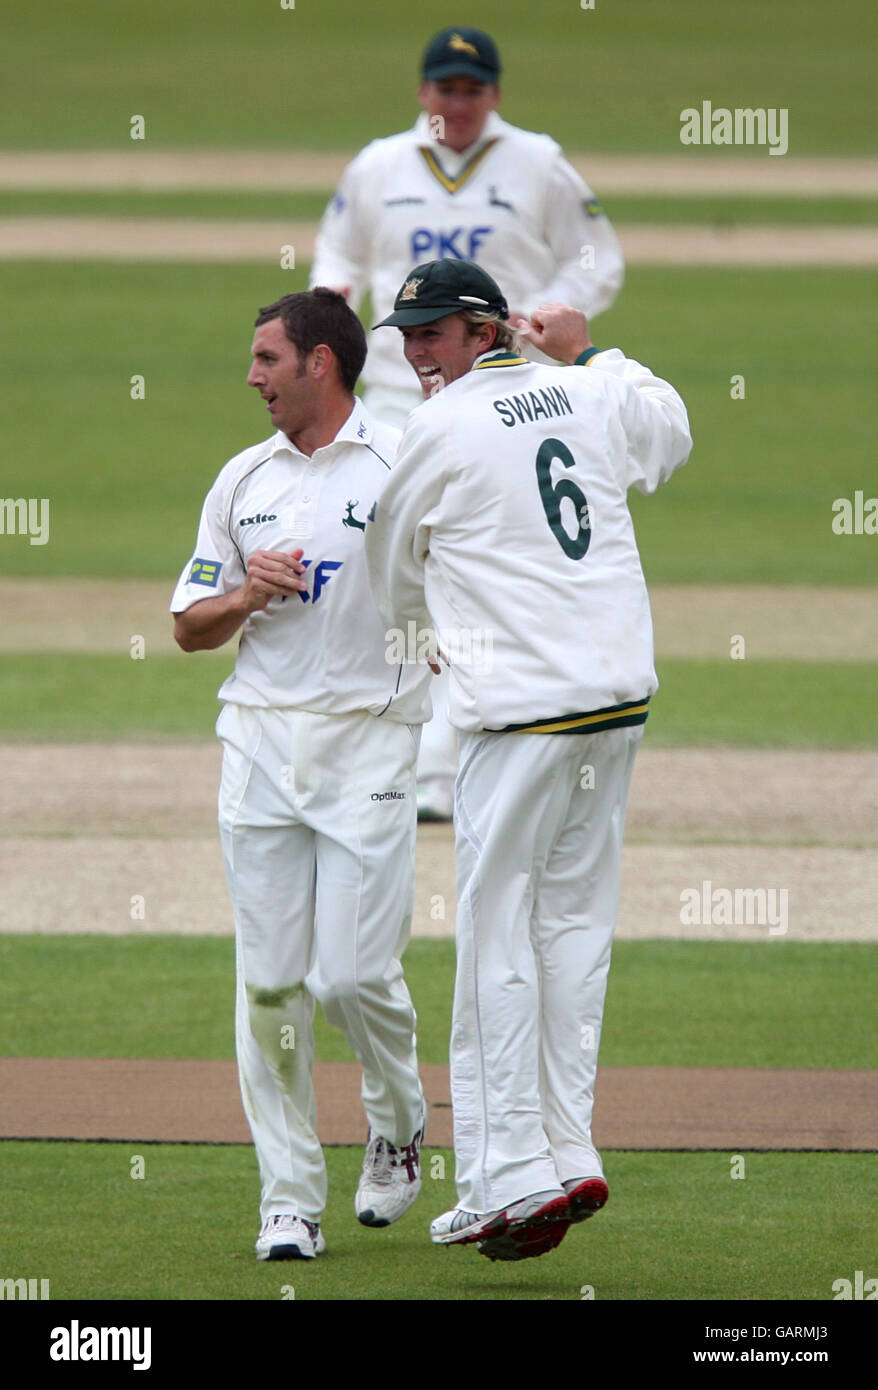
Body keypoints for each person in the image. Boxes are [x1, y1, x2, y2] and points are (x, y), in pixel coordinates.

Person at [364, 260, 692, 1261]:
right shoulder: (591, 388)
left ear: (482, 330)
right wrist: (585, 345)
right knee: (572, 930)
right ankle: (564, 1149)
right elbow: (670, 429)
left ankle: (506, 1173)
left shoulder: (440, 427)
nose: (416, 352)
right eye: (407, 335)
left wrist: (425, 637)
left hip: (518, 720)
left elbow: (388, 559)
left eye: (432, 333)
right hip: (615, 701)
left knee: (496, 934)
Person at [170, 289, 430, 1261]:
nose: (252, 377)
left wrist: (452, 636)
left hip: (369, 738)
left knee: (353, 971)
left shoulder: (405, 460)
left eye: (267, 359)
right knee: (272, 984)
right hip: (260, 744)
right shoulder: (243, 477)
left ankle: (398, 1122)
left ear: (321, 363)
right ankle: (287, 1197)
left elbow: (470, 564)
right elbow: (188, 627)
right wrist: (245, 593)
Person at [310, 24, 625, 820]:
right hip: (393, 391)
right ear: (424, 92)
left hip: (496, 391)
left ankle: (444, 772)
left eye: (473, 89)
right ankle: (378, 749)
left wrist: (537, 317)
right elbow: (335, 257)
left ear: (495, 94)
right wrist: (335, 306)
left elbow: (598, 259)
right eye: (446, 88)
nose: (459, 102)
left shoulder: (538, 161)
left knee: (469, 565)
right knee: (378, 559)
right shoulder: (379, 164)